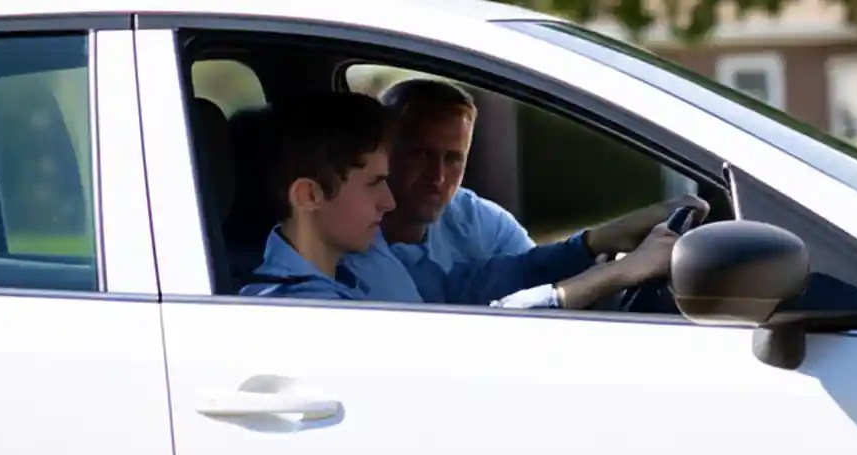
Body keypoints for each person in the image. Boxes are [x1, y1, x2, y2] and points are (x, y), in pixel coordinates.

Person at [238, 91, 681, 309]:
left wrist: (591, 243)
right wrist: (615, 274)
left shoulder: (365, 255)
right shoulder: (297, 309)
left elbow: (464, 288)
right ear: (310, 195)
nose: (390, 202)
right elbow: (461, 344)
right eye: (374, 183)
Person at [340, 77, 708, 305]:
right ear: (383, 151)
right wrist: (619, 269)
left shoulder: (477, 220)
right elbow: (468, 296)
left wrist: (597, 243)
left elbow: (524, 278)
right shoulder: (347, 238)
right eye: (420, 154)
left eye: (454, 159)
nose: (437, 175)